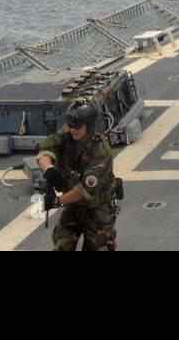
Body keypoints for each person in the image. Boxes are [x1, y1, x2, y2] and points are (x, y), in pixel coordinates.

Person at [36, 100, 119, 251]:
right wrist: (49, 169)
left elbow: (84, 190)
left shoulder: (101, 150)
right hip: (74, 205)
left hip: (97, 208)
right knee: (62, 245)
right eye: (71, 125)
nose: (73, 130)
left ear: (89, 126)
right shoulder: (69, 131)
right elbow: (46, 148)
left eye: (78, 127)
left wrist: (57, 200)